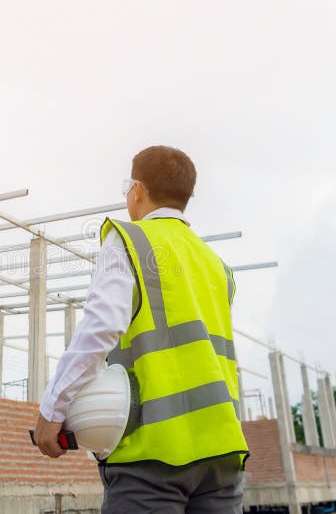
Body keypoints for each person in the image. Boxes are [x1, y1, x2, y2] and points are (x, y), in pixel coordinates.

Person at [33, 145, 248, 513]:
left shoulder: (131, 241)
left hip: (152, 460)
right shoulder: (216, 264)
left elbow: (100, 326)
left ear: (137, 189)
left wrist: (53, 409)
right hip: (222, 457)